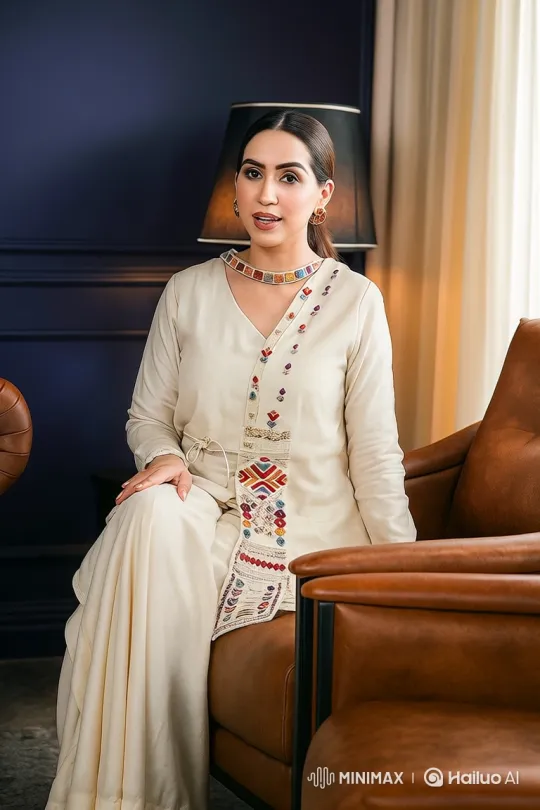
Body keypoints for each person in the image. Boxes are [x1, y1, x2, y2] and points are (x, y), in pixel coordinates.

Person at [46, 110, 416, 810]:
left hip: (309, 529)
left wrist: (400, 567)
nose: (266, 195)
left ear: (323, 195)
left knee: (146, 530)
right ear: (236, 187)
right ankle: (124, 797)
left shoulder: (357, 302)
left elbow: (375, 450)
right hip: (205, 515)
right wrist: (162, 459)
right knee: (148, 516)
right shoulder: (188, 291)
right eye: (252, 174)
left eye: (288, 176)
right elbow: (148, 416)